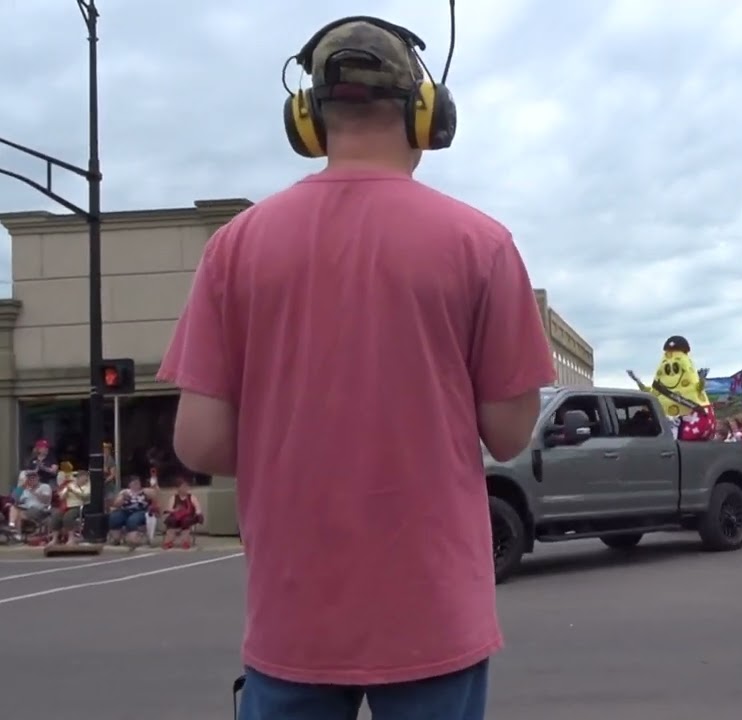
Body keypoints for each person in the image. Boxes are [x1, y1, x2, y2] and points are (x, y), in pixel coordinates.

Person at [158, 15, 554, 720]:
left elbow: (200, 443)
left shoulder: (234, 248)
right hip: (434, 617)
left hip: (292, 618)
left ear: (308, 119)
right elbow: (509, 432)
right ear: (425, 115)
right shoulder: (482, 246)